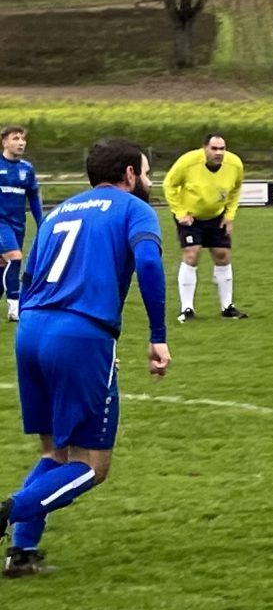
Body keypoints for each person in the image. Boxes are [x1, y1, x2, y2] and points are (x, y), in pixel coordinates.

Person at [0, 137, 170, 577]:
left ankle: (22, 554)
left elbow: (32, 275)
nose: (150, 181)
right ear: (129, 174)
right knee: (92, 466)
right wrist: (157, 335)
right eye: (147, 173)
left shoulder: (59, 211)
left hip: (32, 331)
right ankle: (7, 513)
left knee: (56, 452)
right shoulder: (135, 209)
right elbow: (149, 264)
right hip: (79, 333)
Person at [163, 133, 248, 321]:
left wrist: (229, 215)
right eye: (214, 148)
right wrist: (180, 213)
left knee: (222, 255)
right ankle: (187, 309)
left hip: (217, 215)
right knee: (192, 254)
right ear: (204, 149)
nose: (219, 153)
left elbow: (236, 189)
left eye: (222, 149)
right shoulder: (187, 162)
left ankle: (227, 307)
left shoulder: (235, 164)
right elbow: (169, 184)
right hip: (190, 217)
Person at [0, 125, 43, 322]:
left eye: (23, 139)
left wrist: (41, 223)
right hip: (1, 223)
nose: (21, 142)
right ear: (4, 142)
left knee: (3, 266)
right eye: (15, 138)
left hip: (18, 223)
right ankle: (15, 307)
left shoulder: (27, 168)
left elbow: (33, 198)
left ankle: (8, 297)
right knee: (15, 258)